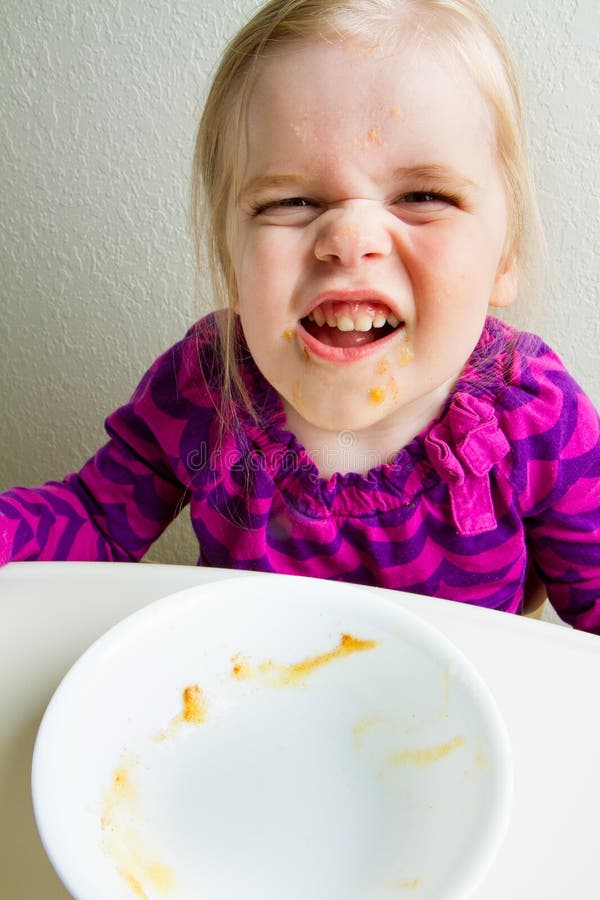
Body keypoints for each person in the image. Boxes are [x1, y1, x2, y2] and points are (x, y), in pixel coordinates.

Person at [1, 0, 599, 631]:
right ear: (231, 262)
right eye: (290, 201)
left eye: (424, 196)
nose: (350, 236)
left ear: (503, 257)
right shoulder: (206, 387)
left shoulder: (535, 420)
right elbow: (96, 520)